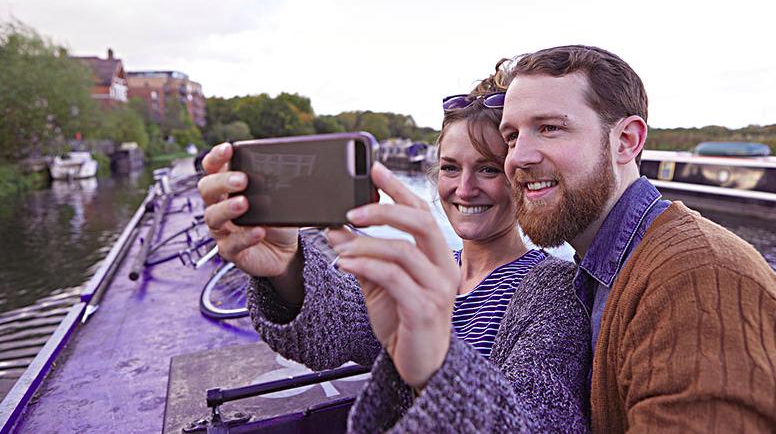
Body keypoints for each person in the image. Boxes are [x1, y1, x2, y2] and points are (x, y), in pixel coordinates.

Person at [198, 64, 592, 432]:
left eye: (488, 169)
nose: (464, 187)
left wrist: (435, 363)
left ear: (518, 176)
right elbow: (337, 326)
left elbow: (542, 420)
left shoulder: (555, 290)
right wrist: (284, 265)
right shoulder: (425, 271)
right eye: (451, 168)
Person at [483, 45, 776, 432]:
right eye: (511, 136)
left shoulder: (697, 279)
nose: (519, 157)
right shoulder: (605, 272)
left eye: (550, 128)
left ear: (626, 141)